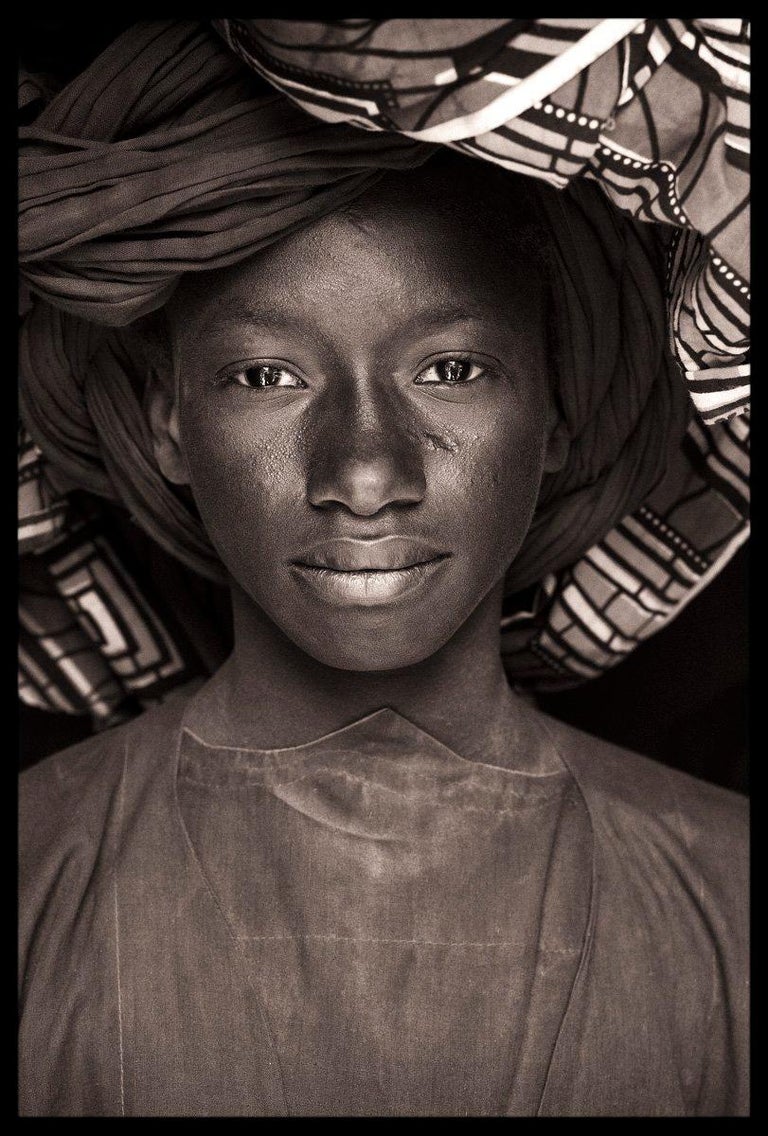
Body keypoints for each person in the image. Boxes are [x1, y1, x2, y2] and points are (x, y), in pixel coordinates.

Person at [18, 22, 748, 1118]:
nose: (365, 473)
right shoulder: (35, 875)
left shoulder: (732, 895)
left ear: (552, 409)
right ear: (169, 425)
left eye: (451, 369)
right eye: (266, 374)